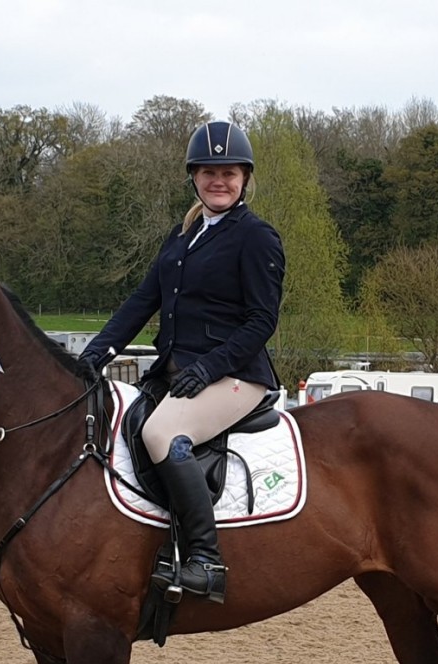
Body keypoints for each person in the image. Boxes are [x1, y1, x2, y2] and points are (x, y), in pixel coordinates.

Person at [78, 120, 285, 603]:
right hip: (176, 372)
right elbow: (141, 301)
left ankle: (206, 559)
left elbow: (261, 321)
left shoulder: (256, 236)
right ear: (194, 176)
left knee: (162, 435)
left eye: (230, 173)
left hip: (235, 375)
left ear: (245, 179)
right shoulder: (183, 234)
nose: (220, 181)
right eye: (210, 172)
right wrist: (93, 356)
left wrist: (208, 368)